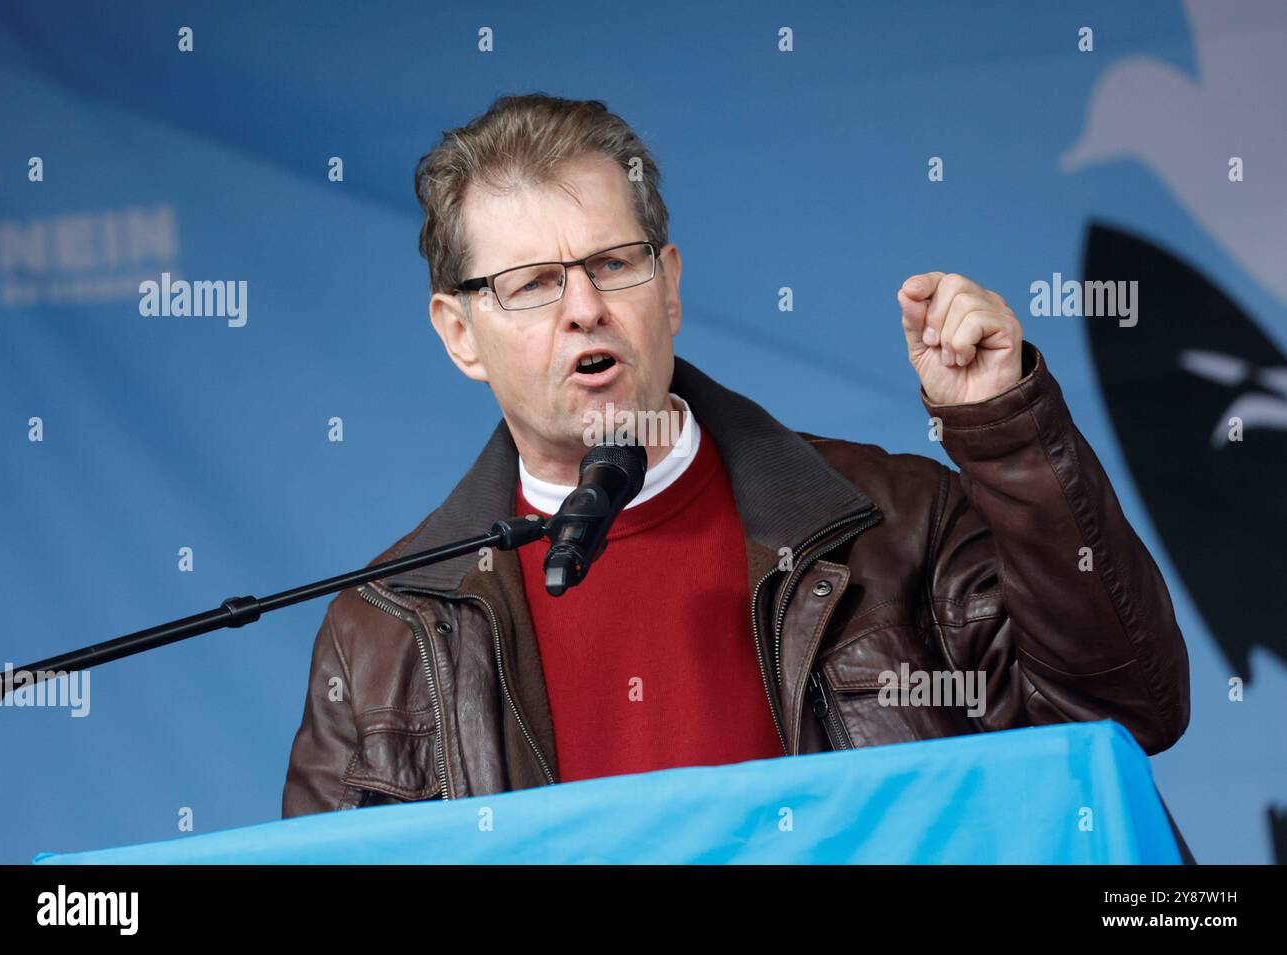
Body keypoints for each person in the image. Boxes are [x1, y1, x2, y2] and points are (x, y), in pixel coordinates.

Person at [282, 92, 1189, 816]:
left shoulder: (897, 524)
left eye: (613, 264)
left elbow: (1122, 716)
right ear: (460, 334)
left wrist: (1005, 433)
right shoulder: (383, 629)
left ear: (668, 286)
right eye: (532, 285)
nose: (585, 308)